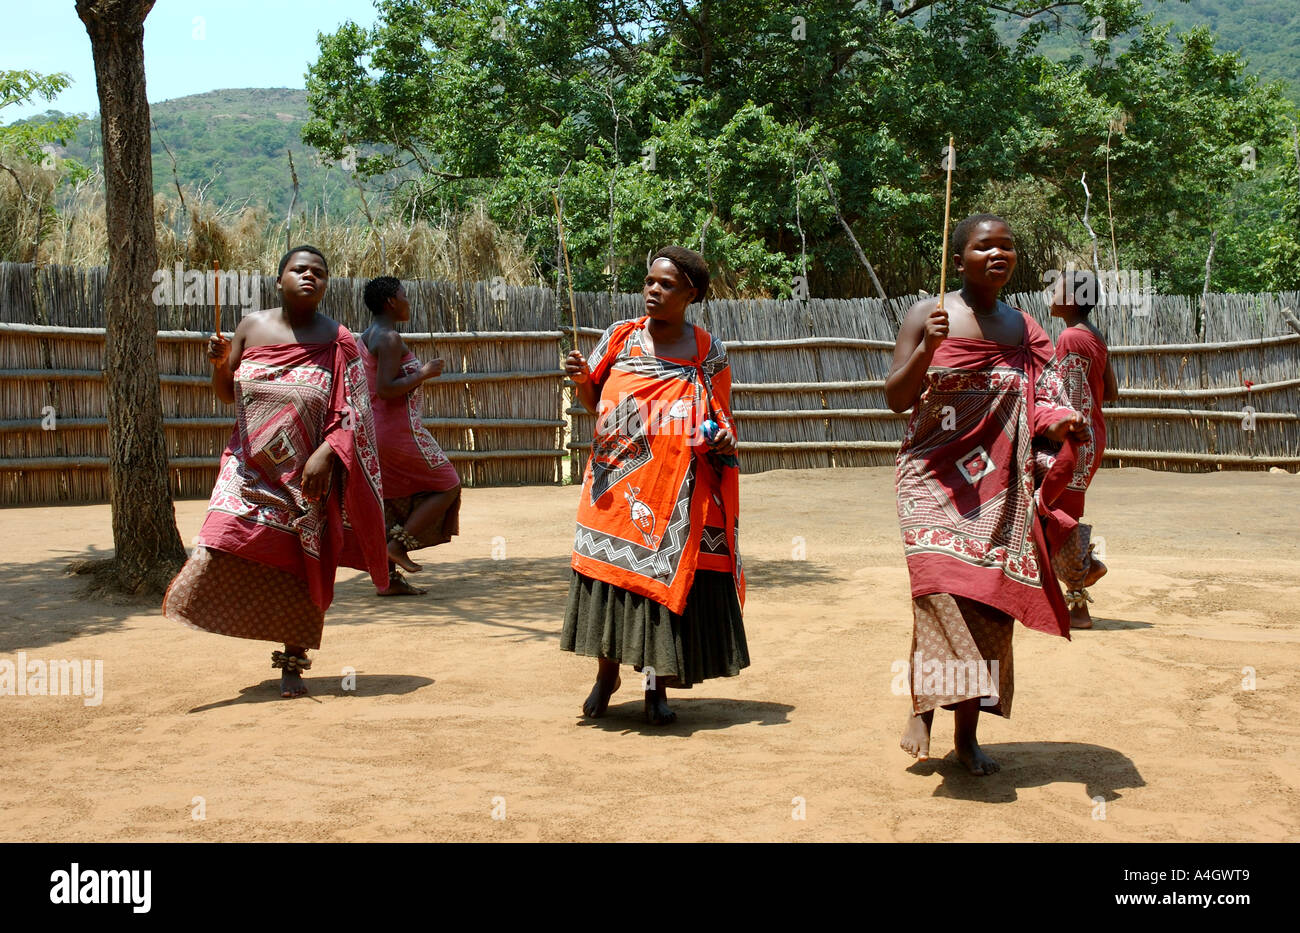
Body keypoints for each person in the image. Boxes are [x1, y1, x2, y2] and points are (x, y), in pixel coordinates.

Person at [886, 214, 1087, 774]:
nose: (998, 254)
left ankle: (966, 735)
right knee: (939, 589)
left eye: (1007, 246)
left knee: (987, 605)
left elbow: (1048, 399)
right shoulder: (929, 314)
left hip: (1000, 487)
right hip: (930, 477)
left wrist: (1061, 425)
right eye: (984, 246)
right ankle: (923, 706)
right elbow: (895, 398)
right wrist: (927, 348)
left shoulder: (1027, 331)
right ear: (960, 259)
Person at [163, 246, 390, 698]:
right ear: (280, 278)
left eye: (319, 273)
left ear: (327, 284)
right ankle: (204, 609)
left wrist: (327, 453)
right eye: (299, 269)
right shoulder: (250, 327)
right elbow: (227, 394)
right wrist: (216, 363)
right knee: (219, 535)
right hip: (246, 466)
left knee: (300, 564)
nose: (310, 277)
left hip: (305, 476)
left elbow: (354, 413)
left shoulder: (340, 341)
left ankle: (292, 663)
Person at [561, 245, 748, 725]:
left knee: (668, 590)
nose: (653, 291)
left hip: (679, 490)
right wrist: (583, 379)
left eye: (666, 285)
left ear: (691, 294)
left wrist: (721, 436)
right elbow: (594, 404)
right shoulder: (620, 339)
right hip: (618, 484)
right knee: (612, 581)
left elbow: (721, 417)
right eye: (649, 282)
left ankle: (655, 688)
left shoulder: (708, 351)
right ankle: (606, 675)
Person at [358, 276, 462, 596]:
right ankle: (398, 546)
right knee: (447, 484)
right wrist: (425, 373)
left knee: (392, 500)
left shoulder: (369, 334)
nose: (408, 301)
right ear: (390, 301)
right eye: (404, 296)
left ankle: (388, 580)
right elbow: (386, 389)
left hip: (376, 431)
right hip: (399, 432)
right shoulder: (388, 338)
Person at [1046, 269, 1119, 628]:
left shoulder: (1070, 338)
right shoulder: (1094, 335)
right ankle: (1080, 572)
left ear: (1072, 299)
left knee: (1054, 515)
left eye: (1055, 287)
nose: (1050, 291)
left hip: (1075, 441)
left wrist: (1060, 440)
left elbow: (1069, 397)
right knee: (1057, 512)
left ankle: (1080, 602)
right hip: (1092, 437)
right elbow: (1113, 390)